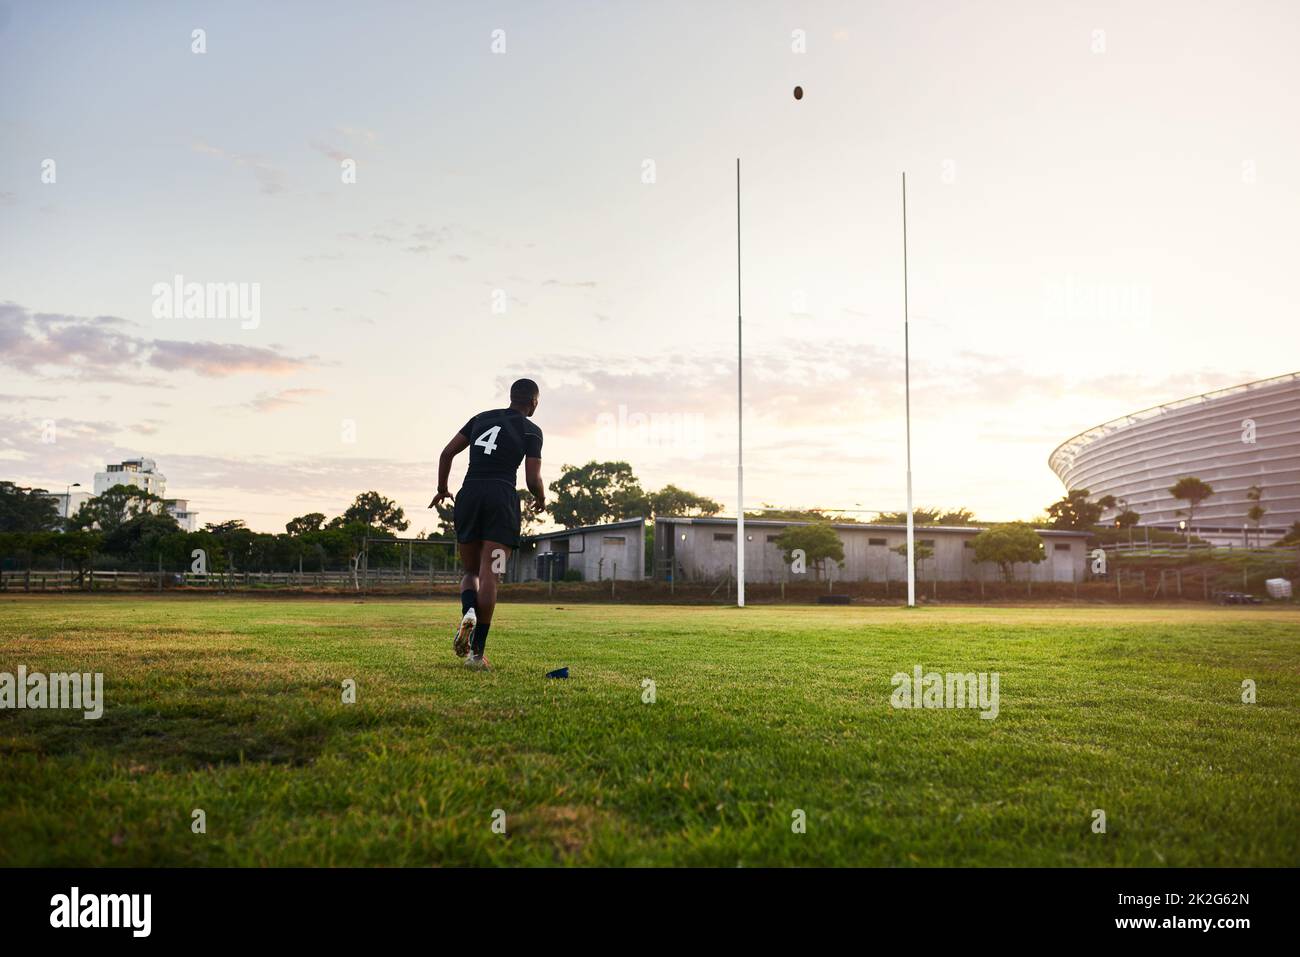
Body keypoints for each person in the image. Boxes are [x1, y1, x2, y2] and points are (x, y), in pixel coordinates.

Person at [430, 378, 545, 670]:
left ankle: (468, 610)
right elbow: (532, 479)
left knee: (470, 571)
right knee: (491, 575)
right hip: (501, 498)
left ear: (510, 397)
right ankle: (476, 654)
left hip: (469, 496)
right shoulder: (531, 430)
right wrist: (541, 496)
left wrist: (443, 488)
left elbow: (446, 453)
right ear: (533, 402)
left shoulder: (480, 419)